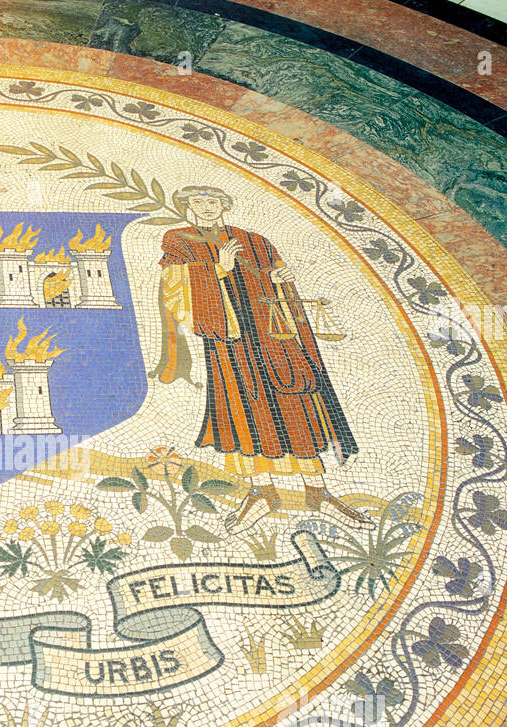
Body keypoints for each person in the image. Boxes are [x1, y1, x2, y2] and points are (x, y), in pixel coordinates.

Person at [155, 185, 368, 529]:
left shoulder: (253, 240)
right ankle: (261, 493)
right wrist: (216, 269)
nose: (207, 207)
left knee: (296, 402)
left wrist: (279, 278)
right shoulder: (178, 239)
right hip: (230, 340)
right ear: (187, 204)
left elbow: (273, 272)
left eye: (214, 200)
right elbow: (173, 287)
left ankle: (318, 492)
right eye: (198, 201)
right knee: (244, 409)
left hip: (272, 334)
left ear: (225, 203)